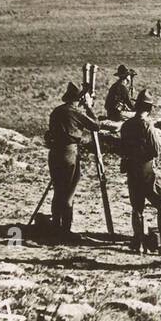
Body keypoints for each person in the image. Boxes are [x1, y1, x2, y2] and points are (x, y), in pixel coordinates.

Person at [45, 80, 101, 240]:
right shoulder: (74, 112)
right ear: (79, 99)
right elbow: (96, 125)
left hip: (55, 153)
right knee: (68, 192)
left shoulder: (57, 111)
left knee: (58, 190)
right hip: (69, 154)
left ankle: (56, 226)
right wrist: (89, 107)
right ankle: (65, 231)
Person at [119, 90, 161, 253]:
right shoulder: (148, 126)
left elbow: (123, 148)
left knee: (137, 208)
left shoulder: (126, 126)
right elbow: (155, 150)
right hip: (148, 169)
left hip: (132, 169)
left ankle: (139, 243)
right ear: (149, 108)